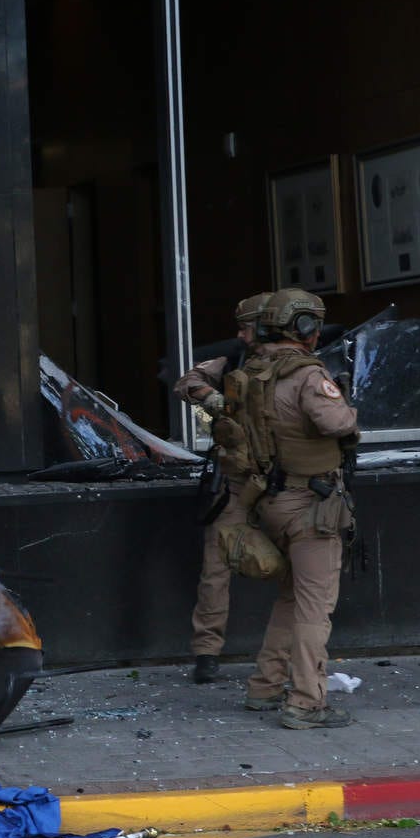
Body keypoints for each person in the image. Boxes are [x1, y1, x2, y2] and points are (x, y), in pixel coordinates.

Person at [224, 287, 360, 729]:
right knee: (314, 607)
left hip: (272, 501)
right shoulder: (306, 375)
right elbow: (337, 422)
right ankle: (306, 702)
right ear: (305, 327)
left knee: (290, 599)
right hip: (312, 503)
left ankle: (265, 687)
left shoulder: (255, 371)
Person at [172, 291, 271, 683]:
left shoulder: (298, 367)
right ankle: (207, 651)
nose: (243, 336)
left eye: (248, 328)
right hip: (237, 481)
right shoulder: (235, 361)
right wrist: (217, 401)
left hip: (283, 484)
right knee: (215, 567)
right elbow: (188, 382)